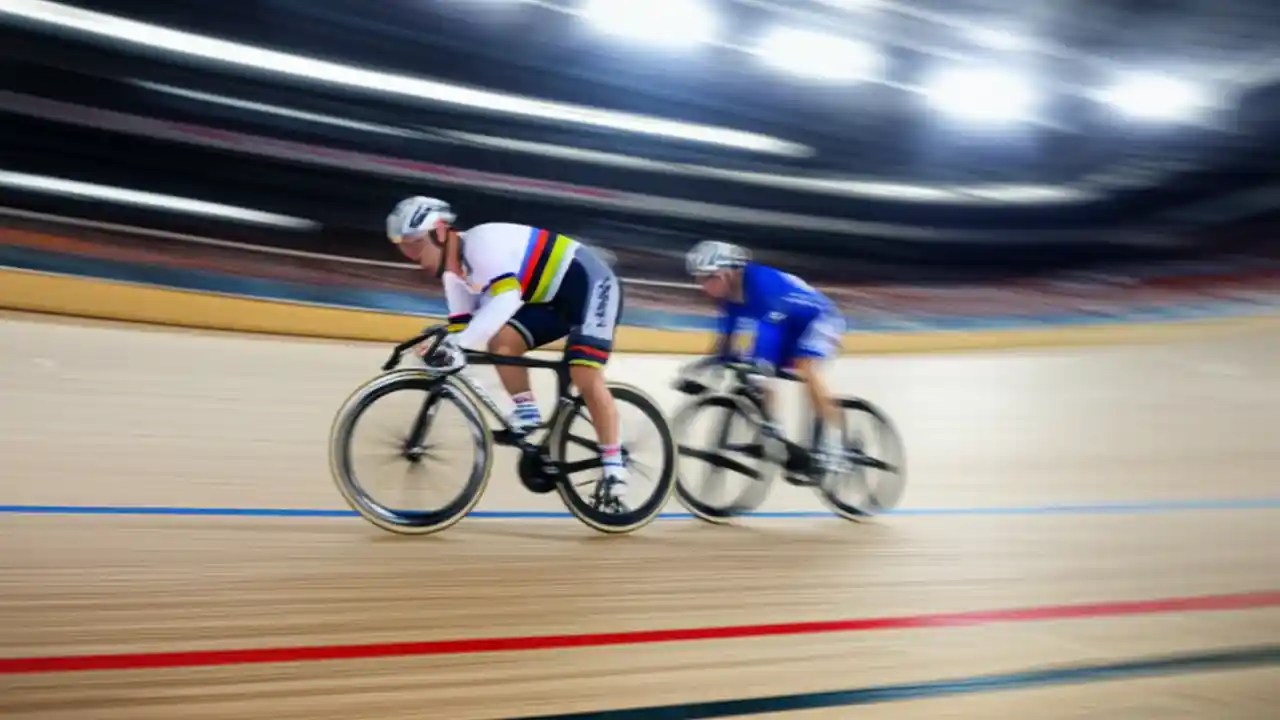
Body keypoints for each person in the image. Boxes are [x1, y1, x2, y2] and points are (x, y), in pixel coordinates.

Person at [385, 196, 629, 509]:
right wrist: (443, 345)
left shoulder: (482, 244)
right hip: (552, 299)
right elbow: (463, 328)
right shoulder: (453, 276)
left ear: (441, 232)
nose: (412, 256)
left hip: (592, 283)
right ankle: (527, 410)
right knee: (502, 341)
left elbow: (506, 301)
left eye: (416, 244)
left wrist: (456, 346)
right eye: (404, 248)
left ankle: (613, 469)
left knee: (584, 373)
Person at [683, 239, 847, 472]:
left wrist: (758, 365)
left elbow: (769, 330)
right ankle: (774, 435)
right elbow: (725, 345)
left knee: (803, 366)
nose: (702, 285)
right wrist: (700, 372)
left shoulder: (761, 283)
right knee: (757, 376)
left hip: (819, 319)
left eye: (707, 277)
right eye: (698, 278)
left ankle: (835, 445)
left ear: (727, 274)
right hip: (787, 325)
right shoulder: (729, 298)